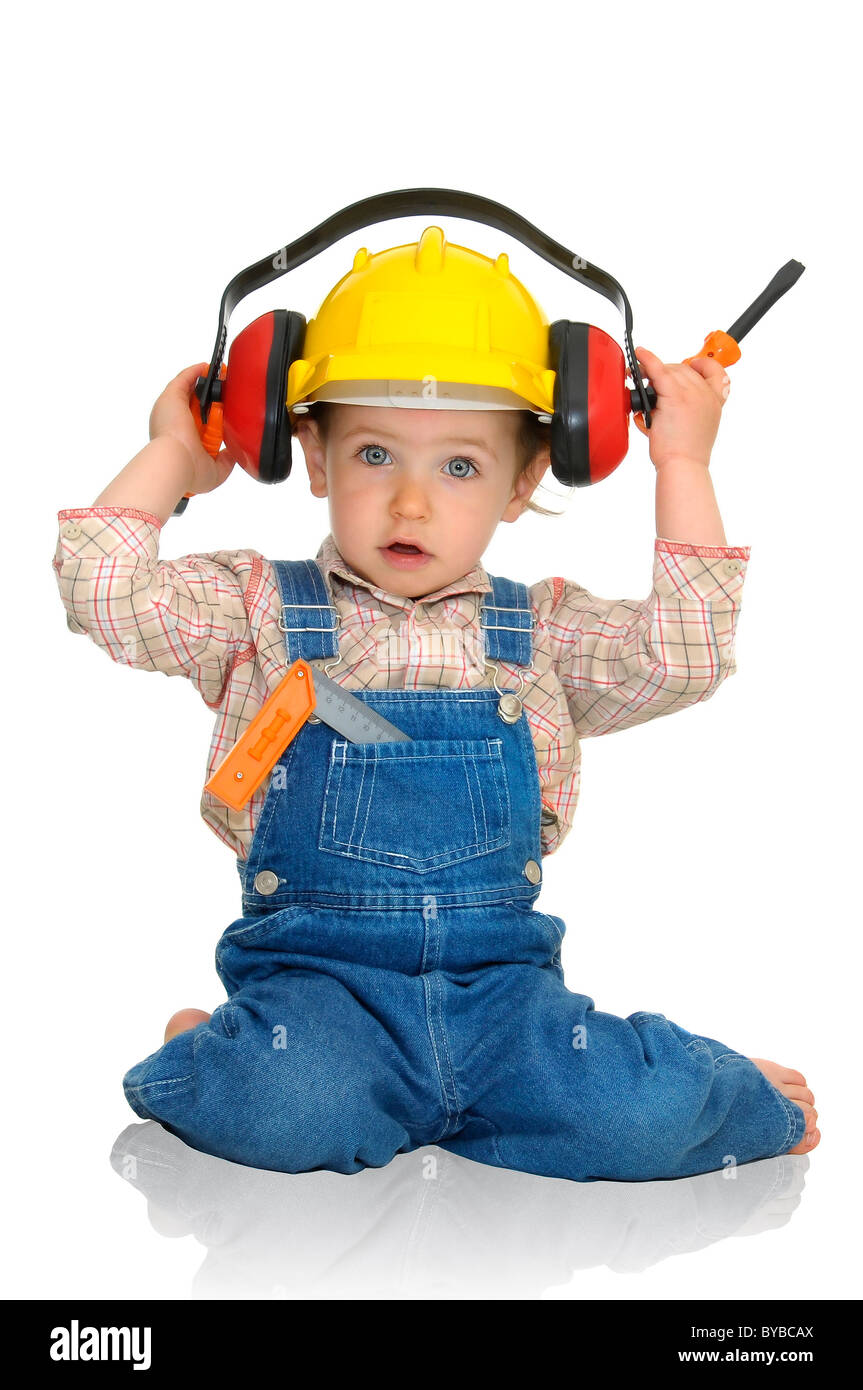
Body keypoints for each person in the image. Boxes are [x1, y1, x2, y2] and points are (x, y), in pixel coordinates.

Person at [52, 227, 819, 1181]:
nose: (410, 504)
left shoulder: (540, 633)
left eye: (458, 466)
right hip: (319, 997)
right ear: (316, 459)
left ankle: (694, 1081)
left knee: (641, 1120)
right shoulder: (254, 610)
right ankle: (221, 1044)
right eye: (375, 454)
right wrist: (173, 450)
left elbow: (687, 656)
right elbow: (103, 593)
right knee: (282, 1108)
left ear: (523, 480)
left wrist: (684, 468)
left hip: (507, 1008)